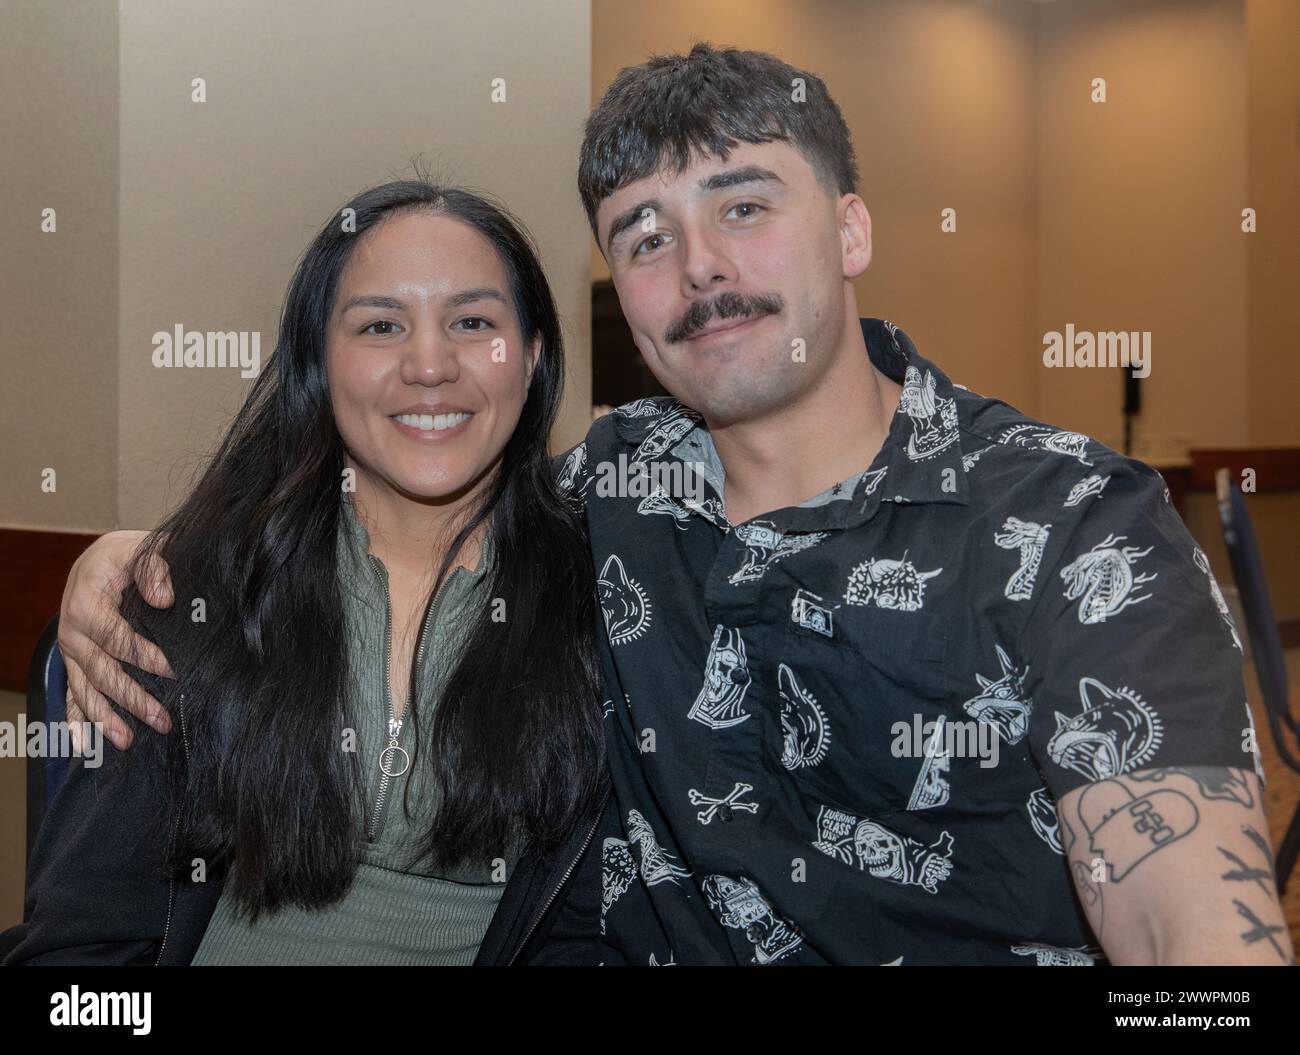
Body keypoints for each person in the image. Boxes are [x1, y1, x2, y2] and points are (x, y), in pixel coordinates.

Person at [53, 44, 1293, 965]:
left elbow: (1189, 917)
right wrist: (124, 558)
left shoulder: (1073, 525)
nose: (699, 267)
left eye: (744, 206)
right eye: (643, 236)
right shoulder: (611, 493)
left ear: (850, 229)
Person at [3, 178, 607, 965]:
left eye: (472, 321)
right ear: (319, 361)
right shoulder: (190, 596)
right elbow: (75, 966)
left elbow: (586, 933)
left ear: (530, 356)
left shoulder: (606, 605)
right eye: (381, 325)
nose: (430, 364)